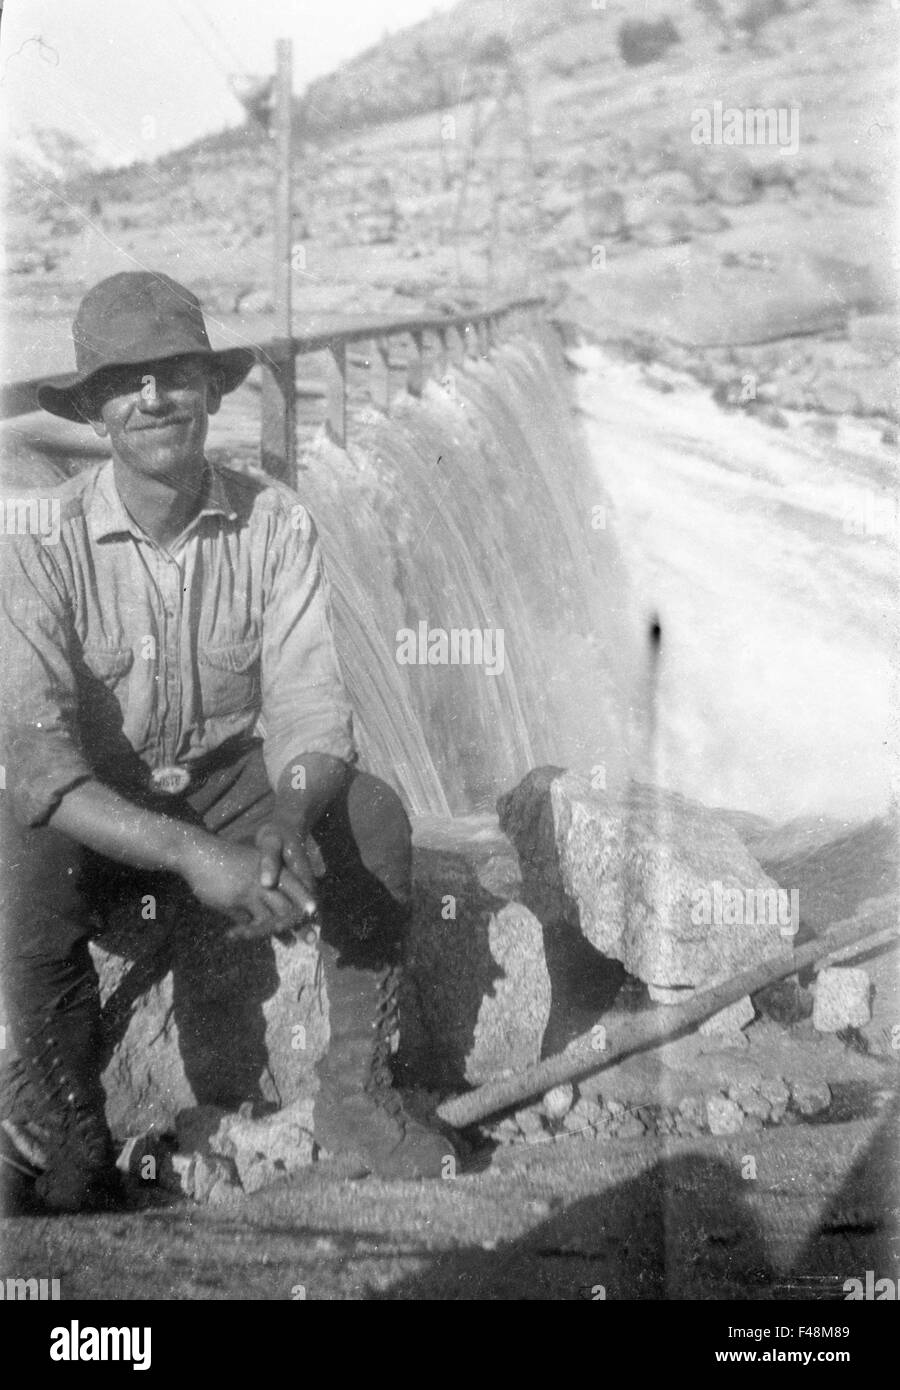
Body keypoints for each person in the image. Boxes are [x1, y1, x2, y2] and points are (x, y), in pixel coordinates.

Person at [0, 271, 455, 1212]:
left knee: (371, 818)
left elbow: (312, 710)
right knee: (25, 868)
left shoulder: (275, 521)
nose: (155, 398)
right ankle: (75, 1132)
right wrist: (189, 853)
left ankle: (353, 1096)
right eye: (128, 383)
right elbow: (42, 765)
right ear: (93, 410)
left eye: (176, 373)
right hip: (102, 800)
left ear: (212, 388)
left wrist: (287, 816)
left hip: (227, 777)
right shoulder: (39, 539)